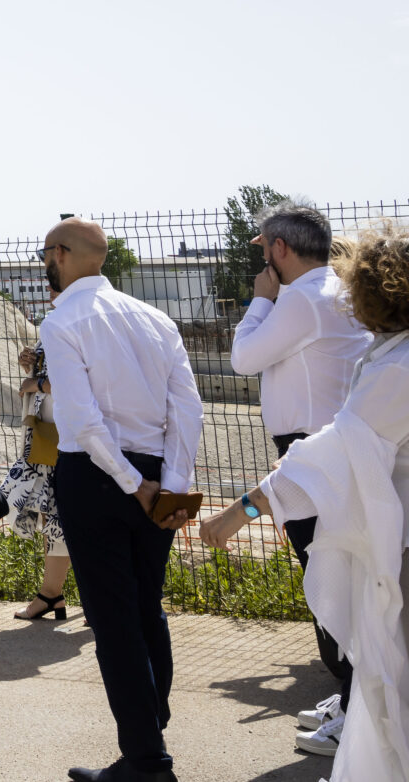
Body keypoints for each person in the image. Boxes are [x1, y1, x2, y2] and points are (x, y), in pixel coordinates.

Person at [199, 221, 409, 779]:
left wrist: (237, 512)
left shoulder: (395, 371)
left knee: (394, 682)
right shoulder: (394, 356)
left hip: (398, 540)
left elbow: (329, 454)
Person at [38, 218, 202, 782]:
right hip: (156, 473)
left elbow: (81, 423)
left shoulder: (62, 321)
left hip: (99, 475)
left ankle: (146, 759)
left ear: (60, 255)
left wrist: (133, 483)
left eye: (45, 254)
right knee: (145, 607)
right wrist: (169, 482)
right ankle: (150, 722)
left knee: (113, 620)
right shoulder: (156, 320)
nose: (45, 263)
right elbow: (188, 407)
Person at [227, 200, 369, 748]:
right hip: (333, 451)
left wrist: (260, 302)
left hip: (310, 455)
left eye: (263, 248)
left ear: (280, 249)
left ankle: (357, 714)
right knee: (343, 576)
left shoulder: (300, 299)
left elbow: (243, 358)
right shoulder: (336, 291)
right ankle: (357, 697)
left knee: (331, 580)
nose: (262, 260)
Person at [0, 343, 75, 622]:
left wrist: (37, 382)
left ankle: (54, 594)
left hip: (71, 440)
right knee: (52, 519)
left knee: (65, 520)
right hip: (46, 440)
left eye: (54, 294)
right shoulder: (57, 324)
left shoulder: (80, 324)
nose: (49, 296)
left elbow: (79, 384)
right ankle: (53, 594)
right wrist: (31, 365)